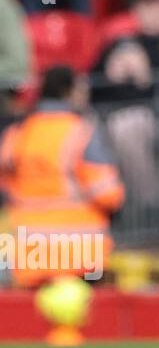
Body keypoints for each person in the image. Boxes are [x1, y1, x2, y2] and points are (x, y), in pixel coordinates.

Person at [0, 65, 124, 299]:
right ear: (69, 92)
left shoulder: (18, 132)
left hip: (30, 253)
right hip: (80, 253)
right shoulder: (82, 132)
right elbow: (107, 193)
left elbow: (5, 181)